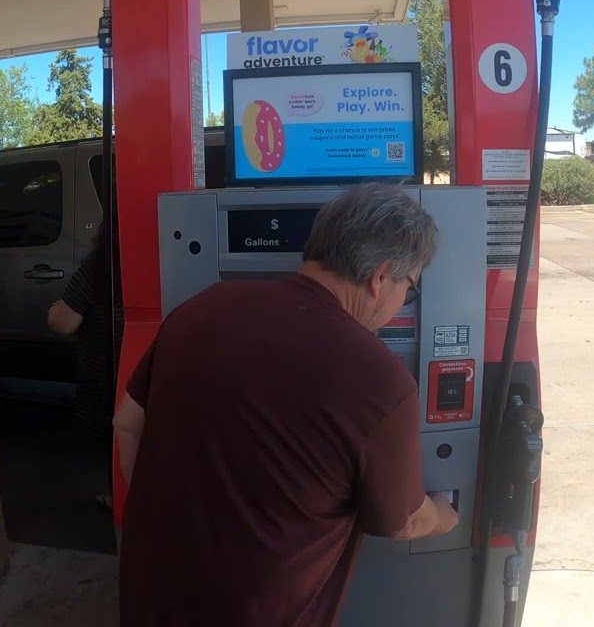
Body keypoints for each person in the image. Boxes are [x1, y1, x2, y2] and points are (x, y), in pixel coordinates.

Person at [114, 183, 459, 627]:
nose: (400, 304)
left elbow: (127, 424)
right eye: (407, 290)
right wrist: (445, 517)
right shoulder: (381, 380)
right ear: (380, 276)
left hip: (149, 596)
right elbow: (402, 520)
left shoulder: (198, 309)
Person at [47, 223, 123, 508]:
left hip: (106, 371)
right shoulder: (160, 255)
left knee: (114, 432)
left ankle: (118, 495)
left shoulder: (99, 265)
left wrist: (55, 308)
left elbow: (65, 322)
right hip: (145, 364)